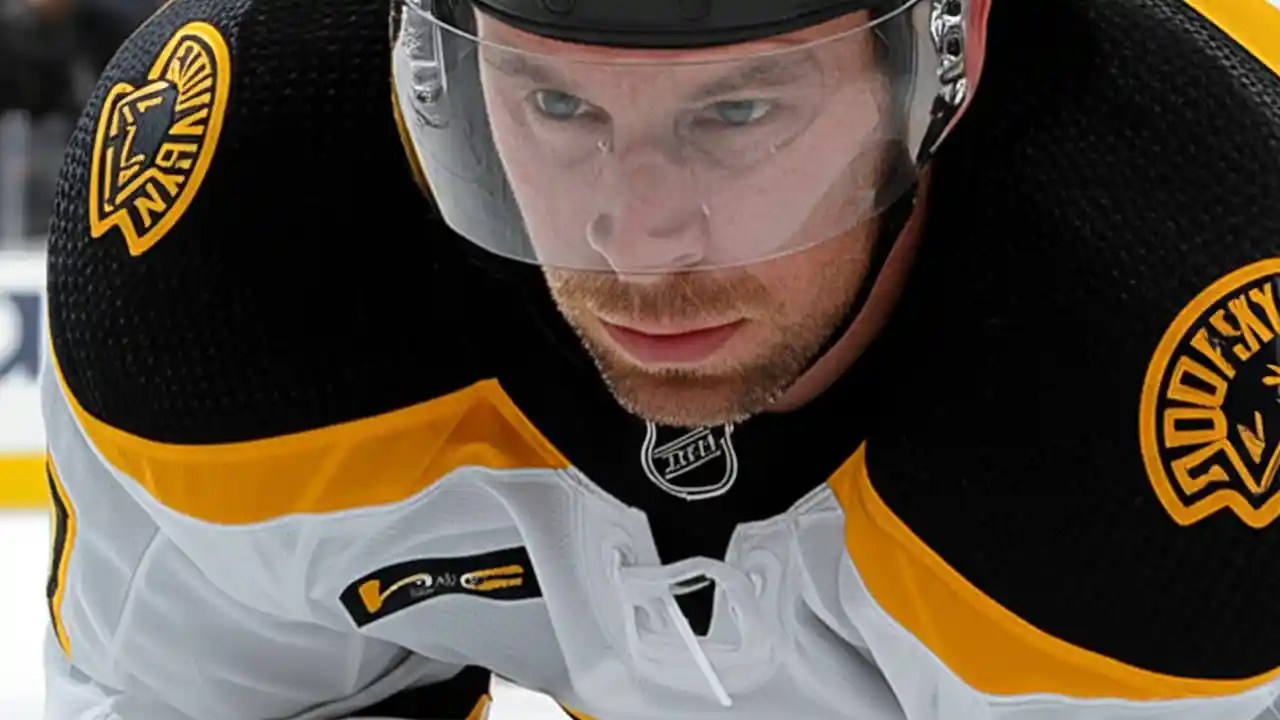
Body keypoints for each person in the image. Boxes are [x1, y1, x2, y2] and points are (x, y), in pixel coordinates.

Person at [35, 0, 1280, 716]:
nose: (634, 240)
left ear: (947, 57)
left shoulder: (1190, 336)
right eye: (556, 106)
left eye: (737, 112)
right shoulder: (230, 258)